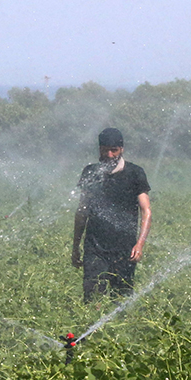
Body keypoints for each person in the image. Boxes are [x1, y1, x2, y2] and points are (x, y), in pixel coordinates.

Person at [72, 127, 152, 302]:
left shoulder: (134, 173)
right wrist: (75, 245)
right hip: (95, 247)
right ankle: (93, 326)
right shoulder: (90, 172)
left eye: (114, 150)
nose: (109, 155)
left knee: (121, 299)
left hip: (125, 248)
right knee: (93, 297)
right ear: (99, 149)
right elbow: (82, 212)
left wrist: (140, 244)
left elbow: (146, 211)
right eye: (105, 150)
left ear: (121, 149)